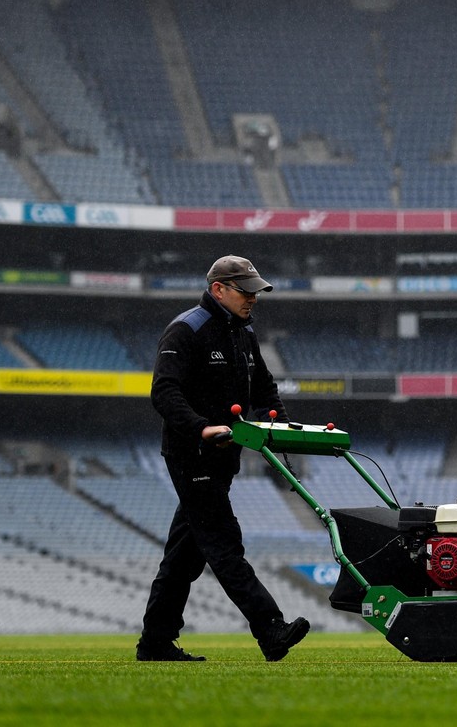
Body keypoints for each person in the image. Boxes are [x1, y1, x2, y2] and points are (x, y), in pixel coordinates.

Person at [136, 254, 310, 663]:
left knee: (185, 556)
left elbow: (265, 389)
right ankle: (271, 628)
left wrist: (283, 434)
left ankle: (155, 643)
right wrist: (201, 427)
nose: (253, 298)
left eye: (256, 292)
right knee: (223, 541)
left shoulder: (243, 334)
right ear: (219, 290)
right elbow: (164, 392)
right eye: (245, 290)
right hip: (191, 454)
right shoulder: (186, 330)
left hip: (223, 457)